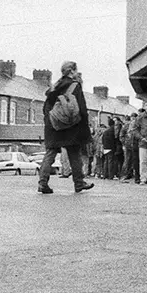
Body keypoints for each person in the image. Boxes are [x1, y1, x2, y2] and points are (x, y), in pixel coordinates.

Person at [38, 60, 94, 194]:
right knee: (74, 155)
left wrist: (51, 122)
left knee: (50, 153)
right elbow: (82, 109)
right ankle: (79, 183)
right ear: (72, 71)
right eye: (76, 70)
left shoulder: (54, 87)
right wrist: (84, 130)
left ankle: (42, 183)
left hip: (53, 126)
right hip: (71, 126)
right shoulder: (75, 86)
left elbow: (45, 108)